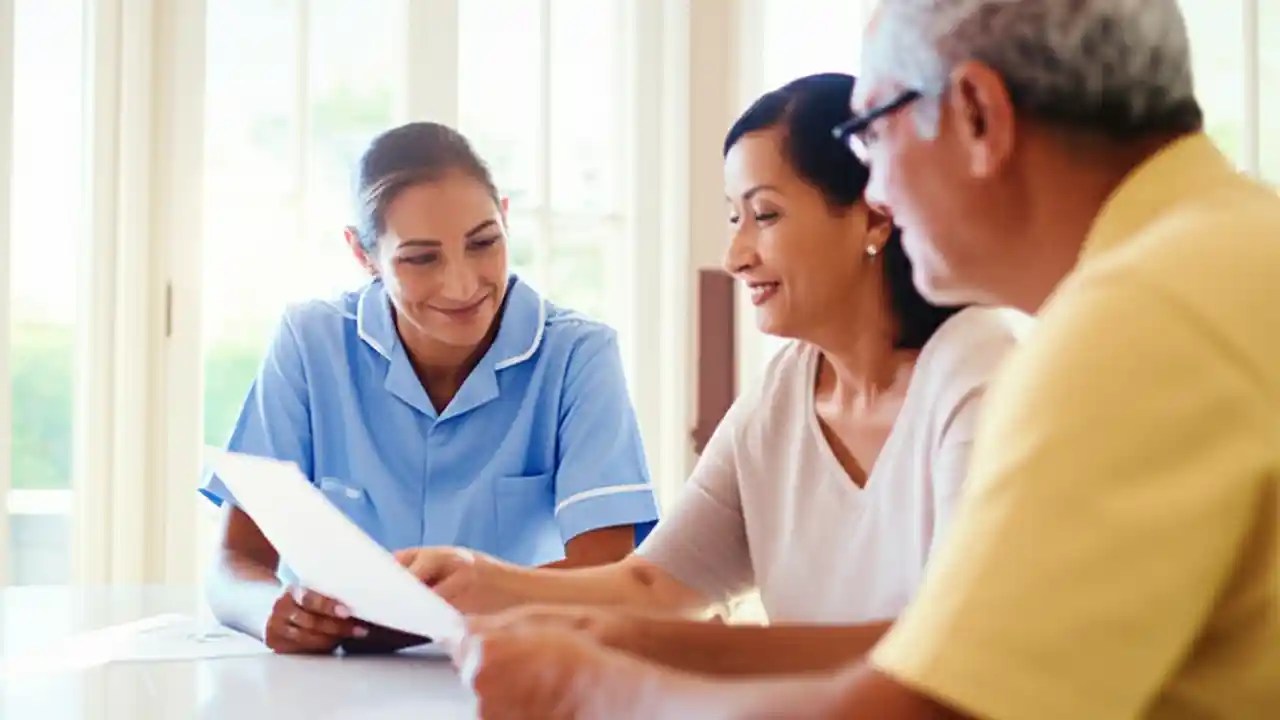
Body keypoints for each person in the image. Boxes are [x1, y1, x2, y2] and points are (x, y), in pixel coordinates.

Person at [453, 1, 1280, 718]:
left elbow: (938, 709)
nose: (875, 188)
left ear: (978, 115)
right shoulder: (1230, 252)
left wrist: (592, 692)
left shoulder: (1133, 321)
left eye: (871, 130)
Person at [398, 73, 1025, 677]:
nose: (736, 255)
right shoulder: (785, 393)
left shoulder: (977, 374)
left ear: (875, 217)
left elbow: (953, 646)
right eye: (734, 218)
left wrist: (673, 650)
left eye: (766, 215)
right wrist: (474, 577)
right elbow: (655, 583)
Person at [201, 122, 660, 655]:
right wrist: (270, 612)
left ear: (506, 219)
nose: (463, 284)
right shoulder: (310, 344)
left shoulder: (579, 356)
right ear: (363, 254)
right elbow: (232, 564)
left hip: (513, 673)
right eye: (421, 258)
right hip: (333, 684)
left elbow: (604, 571)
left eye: (484, 242)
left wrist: (414, 618)